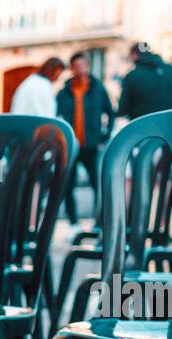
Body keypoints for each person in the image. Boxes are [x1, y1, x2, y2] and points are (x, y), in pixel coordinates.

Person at [56, 52, 116, 224]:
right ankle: (73, 221)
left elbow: (110, 113)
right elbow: (56, 117)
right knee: (68, 185)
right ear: (72, 68)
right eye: (76, 66)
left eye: (83, 65)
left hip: (92, 145)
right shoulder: (64, 93)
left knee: (97, 183)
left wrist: (104, 137)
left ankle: (100, 221)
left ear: (87, 66)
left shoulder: (98, 89)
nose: (80, 69)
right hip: (72, 146)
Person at [118, 42, 172, 119]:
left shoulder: (132, 76)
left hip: (143, 126)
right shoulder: (170, 69)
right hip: (168, 125)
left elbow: (122, 109)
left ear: (134, 54)